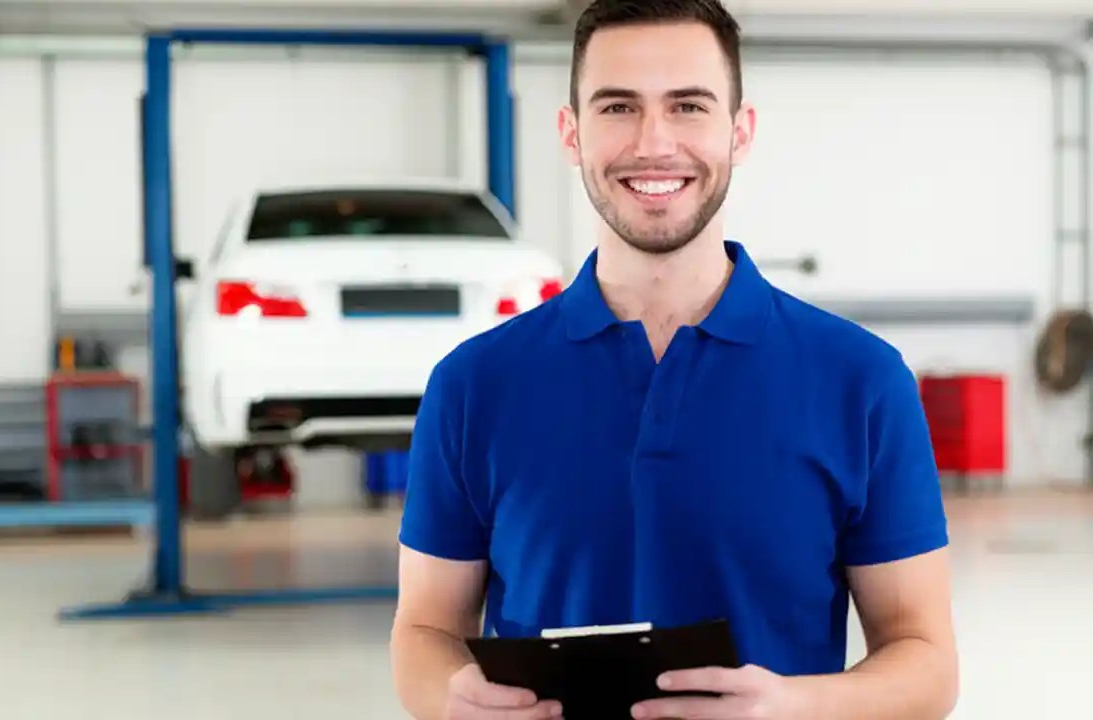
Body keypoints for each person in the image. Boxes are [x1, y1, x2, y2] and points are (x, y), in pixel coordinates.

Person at [389, 1, 959, 718]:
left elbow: (927, 661)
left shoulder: (861, 381)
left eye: (688, 106)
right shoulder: (474, 386)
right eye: (618, 106)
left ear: (739, 131)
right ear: (571, 133)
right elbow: (424, 630)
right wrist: (451, 700)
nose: (653, 143)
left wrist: (792, 708)